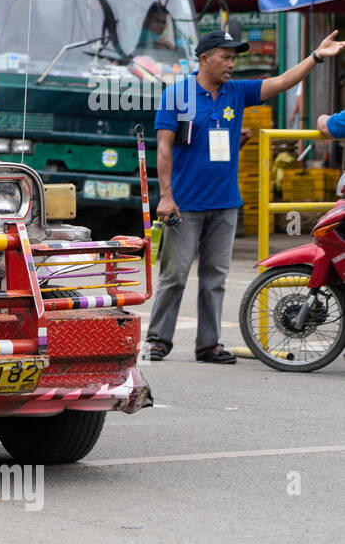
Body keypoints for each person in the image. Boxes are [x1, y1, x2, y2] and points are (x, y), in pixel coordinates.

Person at [146, 28, 345, 363]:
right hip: (184, 204)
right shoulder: (177, 95)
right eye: (225, 57)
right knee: (174, 275)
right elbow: (164, 149)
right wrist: (166, 197)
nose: (231, 64)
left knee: (215, 278)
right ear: (204, 59)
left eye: (234, 58)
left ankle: (208, 344)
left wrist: (315, 57)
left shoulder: (236, 92)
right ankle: (158, 340)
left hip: (225, 203)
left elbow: (281, 82)